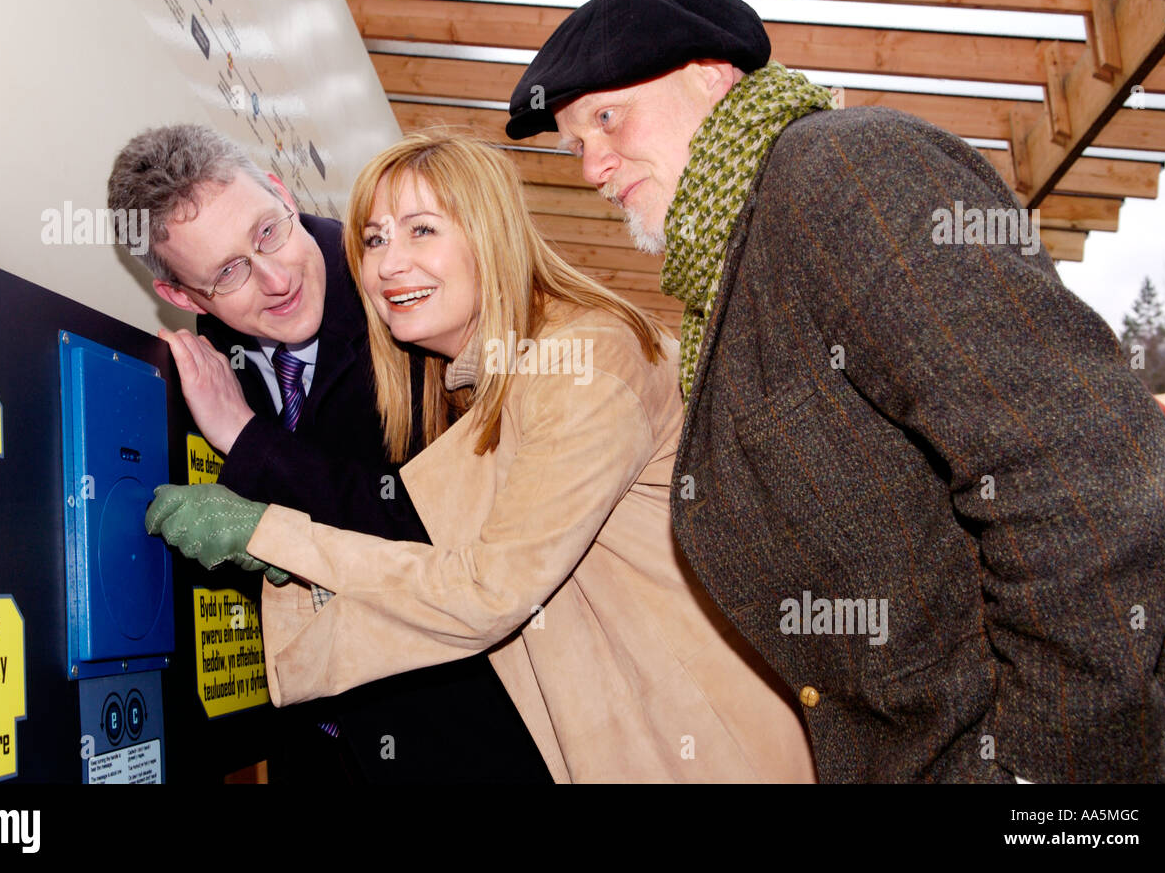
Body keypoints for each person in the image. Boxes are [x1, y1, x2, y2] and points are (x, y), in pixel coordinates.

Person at [504, 0, 1165, 783]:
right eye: (575, 143)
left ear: (711, 73)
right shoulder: (734, 275)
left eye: (606, 119)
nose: (592, 166)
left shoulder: (843, 172)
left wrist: (1045, 773)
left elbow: (1083, 470)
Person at [146, 131, 818, 782]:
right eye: (374, 240)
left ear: (488, 232)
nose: (388, 265)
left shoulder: (581, 368)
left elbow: (482, 590)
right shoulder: (481, 385)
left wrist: (268, 533)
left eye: (422, 230)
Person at [107, 124, 549, 783]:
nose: (276, 278)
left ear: (280, 191)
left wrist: (248, 441)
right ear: (181, 296)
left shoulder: (413, 295)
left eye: (267, 232)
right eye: (228, 272)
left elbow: (443, 538)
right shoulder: (199, 362)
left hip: (467, 738)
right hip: (316, 747)